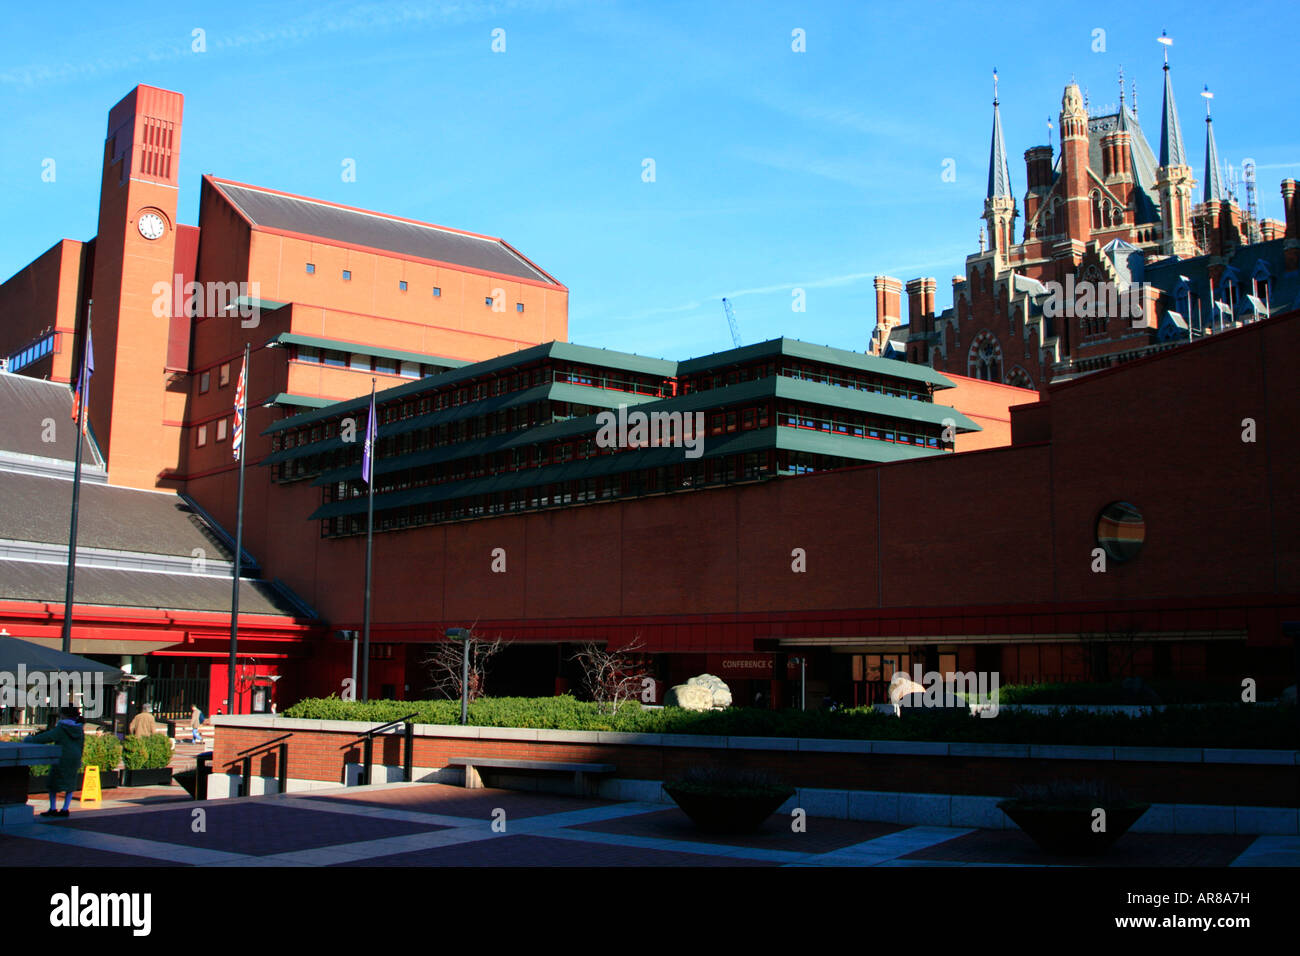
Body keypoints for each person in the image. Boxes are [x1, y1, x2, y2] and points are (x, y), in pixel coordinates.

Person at [28, 706, 85, 818]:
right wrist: (79, 759)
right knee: (70, 784)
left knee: (53, 783)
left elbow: (47, 737)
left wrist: (31, 739)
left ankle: (53, 808)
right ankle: (65, 809)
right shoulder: (79, 729)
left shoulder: (62, 728)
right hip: (74, 758)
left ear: (63, 715)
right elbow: (81, 745)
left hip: (61, 757)